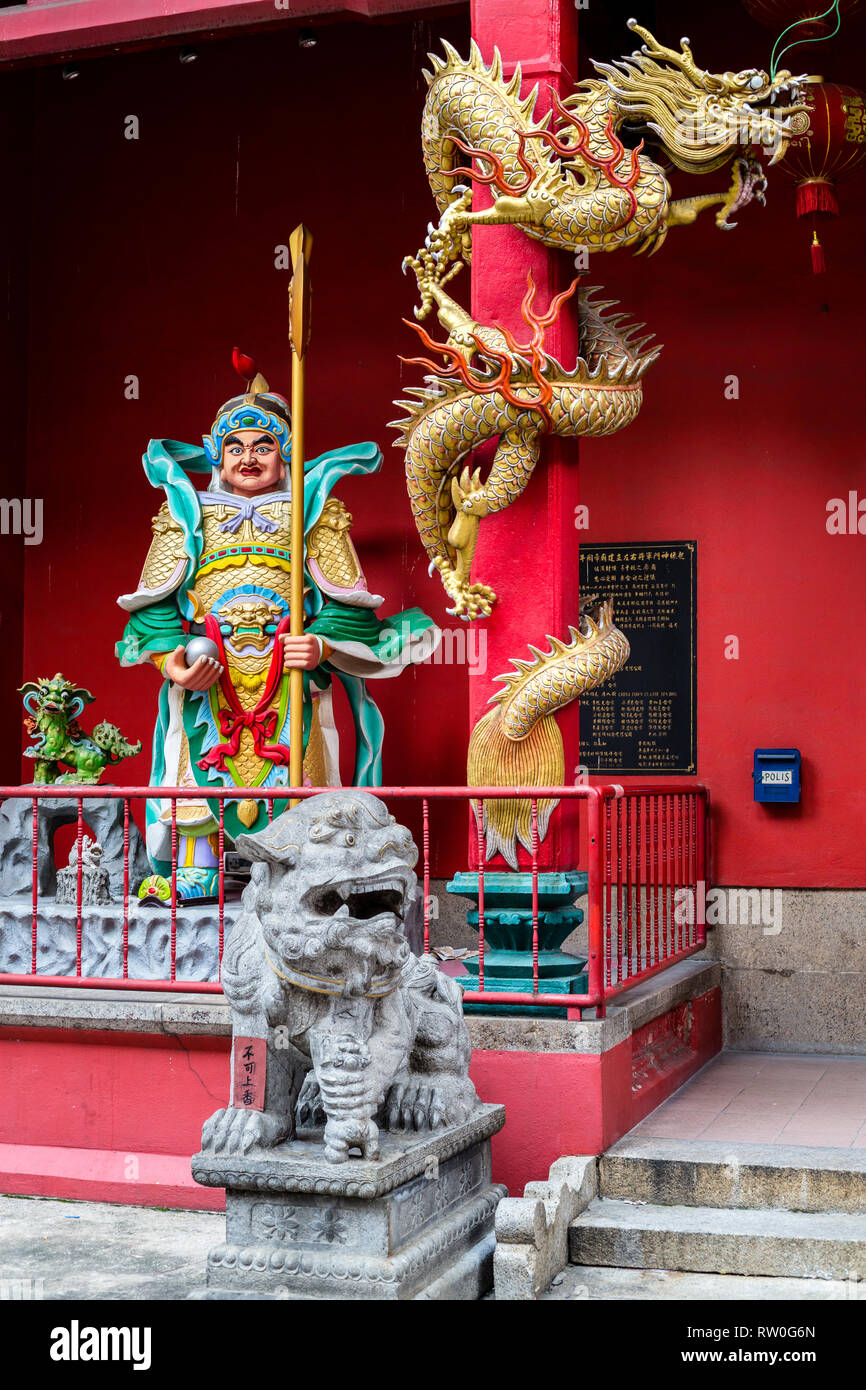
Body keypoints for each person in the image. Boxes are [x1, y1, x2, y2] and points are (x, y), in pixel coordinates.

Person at [117, 367, 439, 901]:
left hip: (287, 668)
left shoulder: (314, 514)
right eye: (235, 446)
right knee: (197, 771)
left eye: (263, 445)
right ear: (216, 454)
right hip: (211, 675)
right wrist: (172, 665)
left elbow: (346, 610)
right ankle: (199, 870)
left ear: (285, 452)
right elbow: (153, 615)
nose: (248, 457)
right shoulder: (183, 516)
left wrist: (321, 646)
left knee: (299, 772)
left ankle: (301, 874)